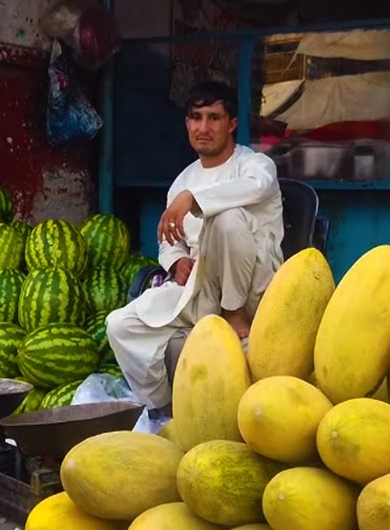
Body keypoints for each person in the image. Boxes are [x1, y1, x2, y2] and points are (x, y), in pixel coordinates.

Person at [106, 81, 285, 413]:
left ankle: (235, 317)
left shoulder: (256, 166)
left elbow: (253, 189)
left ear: (231, 124)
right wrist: (176, 263)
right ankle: (164, 407)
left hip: (253, 291)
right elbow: (169, 240)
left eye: (214, 117)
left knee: (227, 217)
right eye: (196, 117)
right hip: (201, 289)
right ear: (187, 123)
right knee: (121, 325)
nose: (204, 127)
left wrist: (195, 200)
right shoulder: (182, 182)